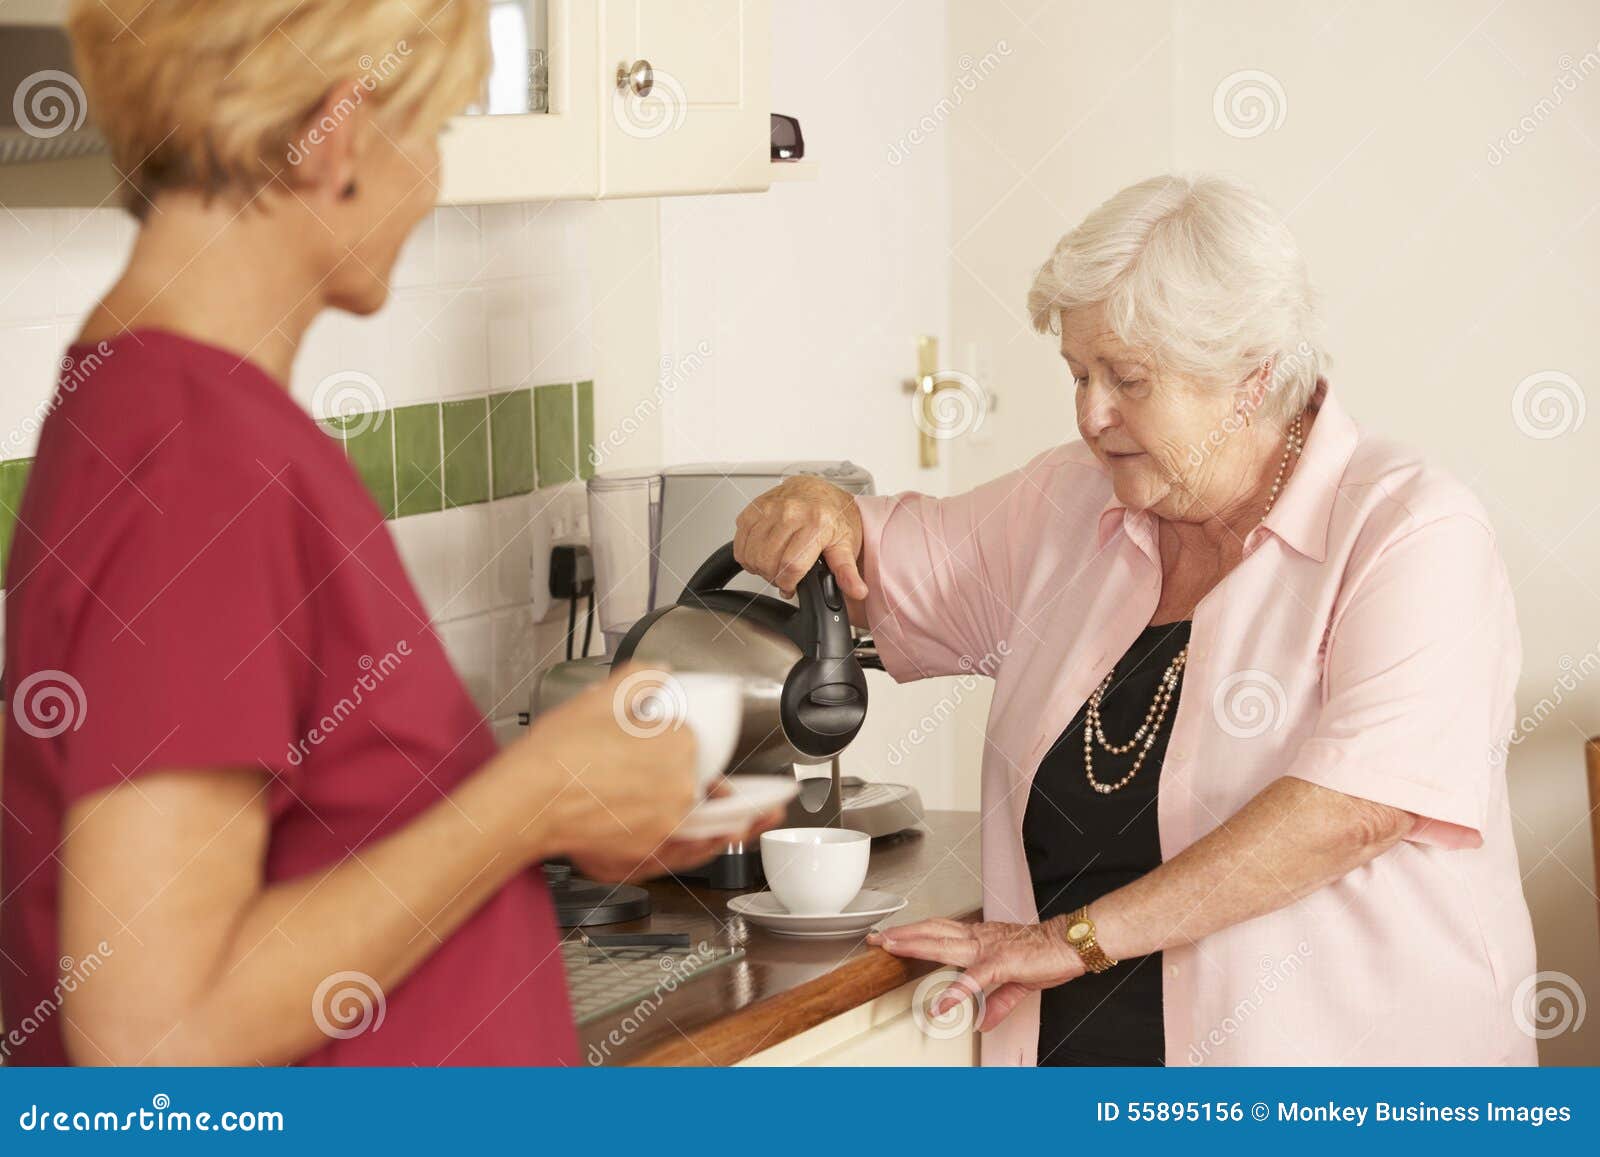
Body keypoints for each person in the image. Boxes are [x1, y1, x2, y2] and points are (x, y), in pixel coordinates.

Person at [0, 0, 771, 1067]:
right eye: (436, 130)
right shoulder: (195, 449)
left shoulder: (156, 407)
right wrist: (530, 795)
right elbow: (154, 1035)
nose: (432, 181)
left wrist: (561, 808)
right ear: (343, 134)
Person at [733, 174, 1536, 1066]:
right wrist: (822, 506)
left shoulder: (1410, 529)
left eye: (1128, 380)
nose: (1090, 414)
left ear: (1251, 378)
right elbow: (876, 560)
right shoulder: (1069, 503)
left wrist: (1071, 939)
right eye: (1079, 373)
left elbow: (1351, 810)